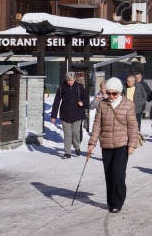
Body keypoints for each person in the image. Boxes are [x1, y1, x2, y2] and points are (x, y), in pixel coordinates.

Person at [87, 77, 139, 213]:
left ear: (120, 92)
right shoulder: (103, 104)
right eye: (109, 93)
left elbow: (133, 126)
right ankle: (111, 202)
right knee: (109, 174)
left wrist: (132, 145)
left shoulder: (128, 104)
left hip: (122, 143)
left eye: (114, 93)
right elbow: (97, 125)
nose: (111, 96)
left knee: (118, 172)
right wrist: (92, 142)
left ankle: (118, 201)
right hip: (106, 144)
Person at [50, 72, 88, 158]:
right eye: (68, 80)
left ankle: (77, 147)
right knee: (67, 134)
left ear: (74, 79)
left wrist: (83, 103)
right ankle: (67, 152)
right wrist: (53, 115)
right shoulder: (62, 87)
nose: (69, 82)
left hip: (77, 114)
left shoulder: (79, 87)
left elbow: (86, 98)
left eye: (71, 80)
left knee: (75, 133)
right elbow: (56, 101)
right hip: (65, 114)